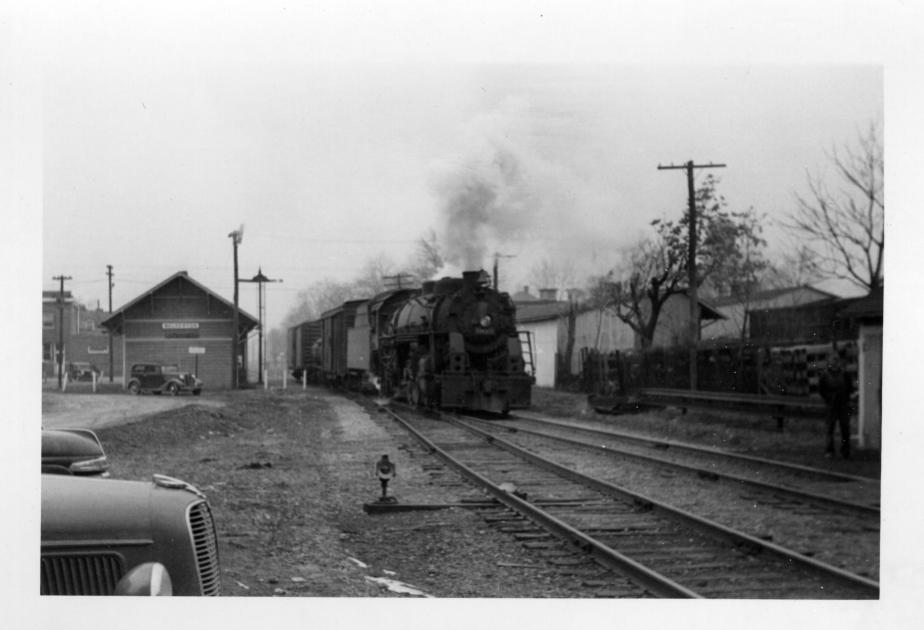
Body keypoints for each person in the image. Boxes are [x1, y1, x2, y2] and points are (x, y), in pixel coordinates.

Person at [818, 353, 852, 459]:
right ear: (829, 361)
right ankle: (829, 450)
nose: (835, 362)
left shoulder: (845, 374)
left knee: (845, 429)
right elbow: (821, 390)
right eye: (833, 360)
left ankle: (845, 450)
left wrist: (845, 397)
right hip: (831, 405)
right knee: (830, 429)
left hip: (843, 404)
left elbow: (850, 388)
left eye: (837, 360)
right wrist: (829, 398)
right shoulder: (824, 375)